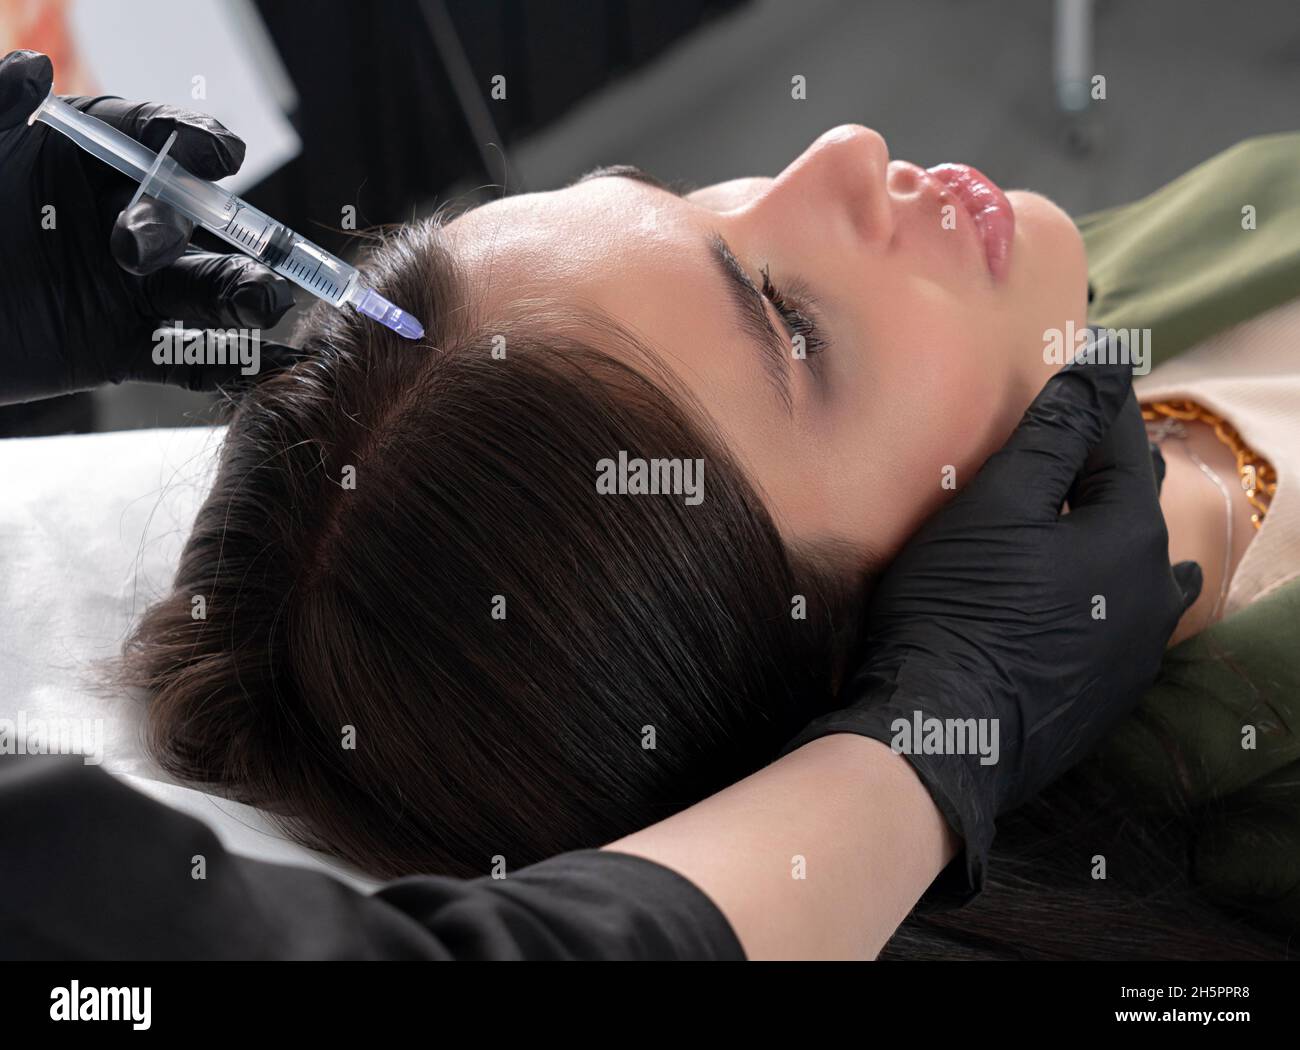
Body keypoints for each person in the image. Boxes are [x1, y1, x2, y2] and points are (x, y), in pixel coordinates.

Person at [0, 48, 1198, 960]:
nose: (842, 143)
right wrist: (929, 740)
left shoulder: (1155, 252)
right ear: (841, 664)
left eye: (673, 194)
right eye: (793, 326)